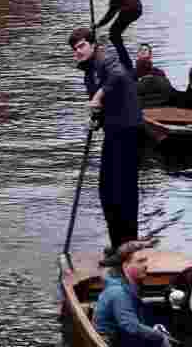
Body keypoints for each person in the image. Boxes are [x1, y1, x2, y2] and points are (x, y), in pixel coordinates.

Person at [69, 25, 143, 252]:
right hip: (112, 131)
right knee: (106, 190)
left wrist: (100, 95)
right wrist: (96, 120)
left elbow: (119, 75)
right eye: (74, 49)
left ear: (93, 45)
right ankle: (117, 244)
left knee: (123, 190)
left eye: (81, 46)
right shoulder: (89, 72)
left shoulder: (105, 58)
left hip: (128, 130)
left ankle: (128, 244)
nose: (78, 51)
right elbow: (99, 108)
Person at [92, 240, 171, 346]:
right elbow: (131, 326)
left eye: (145, 260)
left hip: (120, 334)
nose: (145, 265)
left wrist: (145, 244)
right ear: (125, 266)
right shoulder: (119, 292)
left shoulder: (123, 282)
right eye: (140, 261)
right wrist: (160, 336)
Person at [90, 0, 143, 74]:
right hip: (136, 8)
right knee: (114, 34)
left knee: (114, 34)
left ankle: (126, 63)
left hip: (130, 8)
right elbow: (111, 12)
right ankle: (125, 62)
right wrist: (98, 25)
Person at [135, 43, 176, 109]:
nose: (143, 51)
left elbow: (167, 90)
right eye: (140, 50)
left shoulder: (159, 72)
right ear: (137, 55)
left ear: (150, 55)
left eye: (145, 50)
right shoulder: (133, 73)